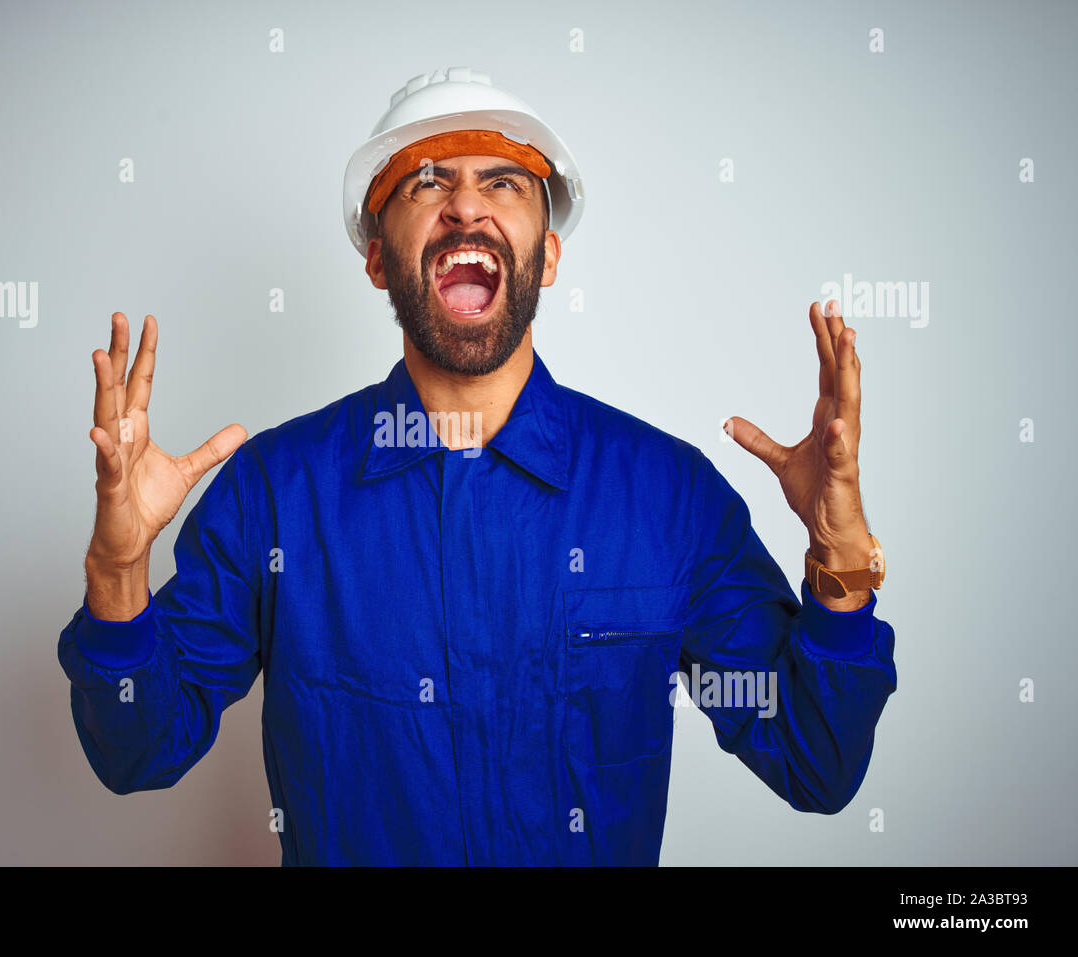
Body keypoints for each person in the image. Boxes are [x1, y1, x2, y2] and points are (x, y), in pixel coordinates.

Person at [57, 67, 897, 865]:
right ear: (380, 258)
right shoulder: (274, 494)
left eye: (503, 181)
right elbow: (138, 748)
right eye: (424, 183)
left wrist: (840, 564)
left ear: (549, 254)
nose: (465, 205)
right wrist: (118, 570)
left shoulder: (668, 499)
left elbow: (813, 762)